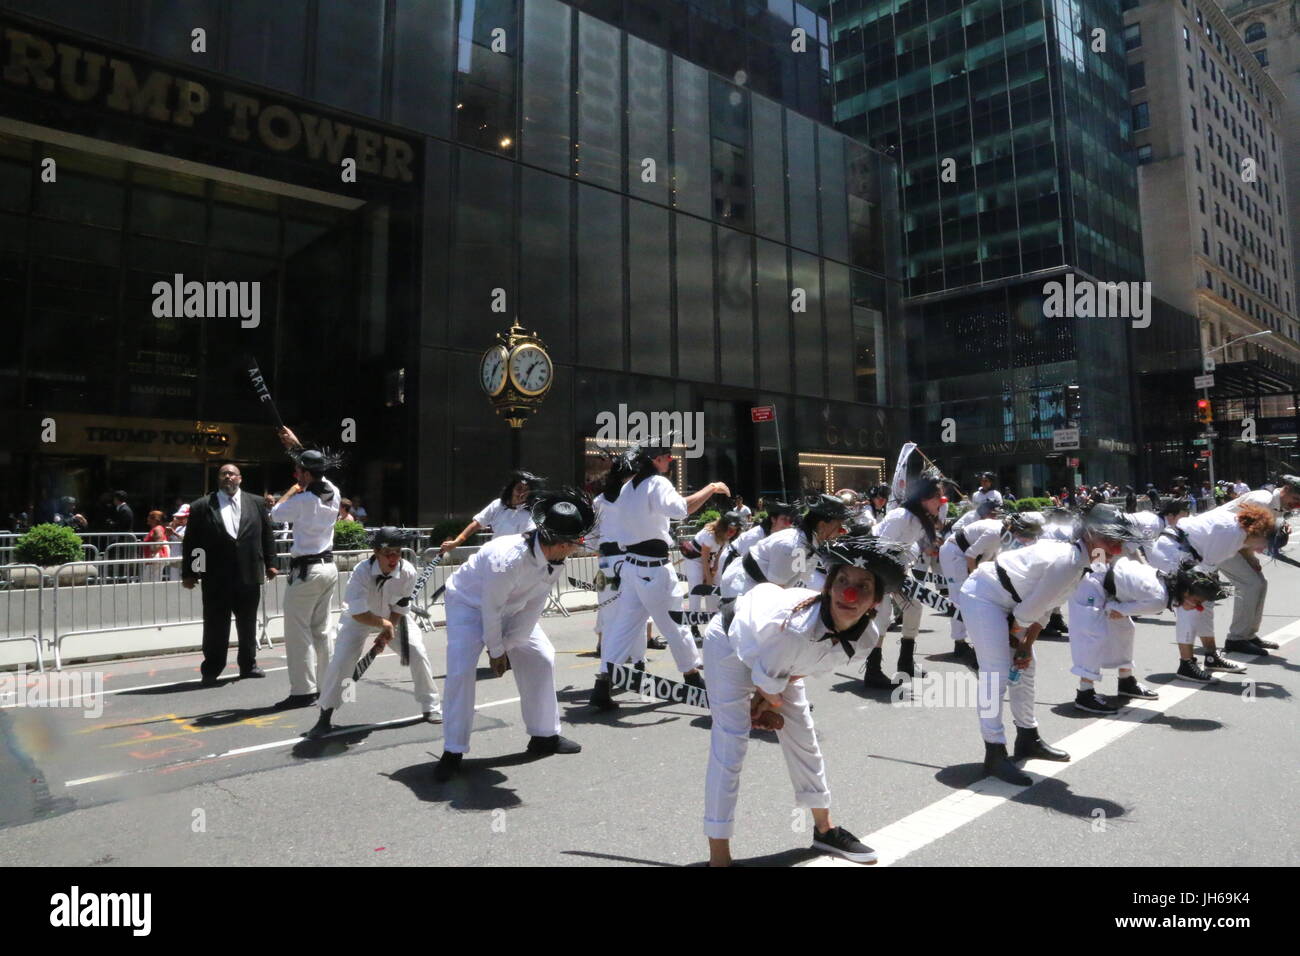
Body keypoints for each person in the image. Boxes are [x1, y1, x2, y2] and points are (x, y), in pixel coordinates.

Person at [703, 535, 911, 866]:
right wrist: (766, 706)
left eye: (862, 586)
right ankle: (719, 858)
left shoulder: (865, 640)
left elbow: (804, 666)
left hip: (777, 655)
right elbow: (776, 673)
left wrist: (768, 701)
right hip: (730, 641)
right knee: (730, 744)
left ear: (875, 601)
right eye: (842, 580)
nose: (849, 593)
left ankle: (825, 830)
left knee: (804, 739)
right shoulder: (795, 629)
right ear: (828, 587)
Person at [956, 503, 1141, 785]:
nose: (1115, 549)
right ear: (1090, 534)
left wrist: (1026, 646)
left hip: (1016, 604)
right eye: (1110, 541)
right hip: (984, 596)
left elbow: (1046, 608)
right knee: (997, 673)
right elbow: (1028, 612)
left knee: (1026, 668)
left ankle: (1028, 737)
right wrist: (1017, 637)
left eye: (1119, 543)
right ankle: (994, 752)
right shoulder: (1068, 561)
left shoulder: (1081, 564)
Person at [433, 489, 596, 781]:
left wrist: (507, 646)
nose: (578, 547)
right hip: (468, 604)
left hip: (513, 606)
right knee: (460, 671)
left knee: (541, 656)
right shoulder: (506, 559)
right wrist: (496, 652)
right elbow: (490, 610)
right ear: (560, 543)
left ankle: (544, 735)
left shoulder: (555, 560)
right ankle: (453, 750)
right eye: (575, 542)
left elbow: (533, 608)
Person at [589, 436, 730, 710]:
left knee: (621, 629)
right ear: (655, 459)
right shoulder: (656, 483)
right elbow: (682, 510)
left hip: (631, 567)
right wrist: (711, 488)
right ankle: (692, 678)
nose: (671, 459)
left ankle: (602, 685)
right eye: (666, 455)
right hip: (652, 570)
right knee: (675, 625)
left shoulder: (628, 488)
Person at [305, 527, 441, 739]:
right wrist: (384, 624)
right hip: (358, 619)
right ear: (376, 552)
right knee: (341, 662)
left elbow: (400, 607)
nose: (394, 557)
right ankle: (325, 716)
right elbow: (358, 613)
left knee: (416, 651)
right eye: (388, 553)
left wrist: (387, 631)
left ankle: (430, 705)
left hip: (392, 617)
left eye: (398, 551)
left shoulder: (408, 572)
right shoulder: (361, 572)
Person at [1069, 562, 1227, 714]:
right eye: (1197, 601)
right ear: (1185, 592)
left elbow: (1119, 608)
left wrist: (1119, 610)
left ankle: (1126, 681)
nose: (1198, 607)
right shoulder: (1159, 600)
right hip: (1092, 587)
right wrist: (1116, 610)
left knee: (1126, 629)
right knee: (1094, 636)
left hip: (1108, 586)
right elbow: (1112, 609)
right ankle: (1085, 694)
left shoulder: (1165, 580)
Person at [1142, 501, 1275, 682]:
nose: (1262, 550)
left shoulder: (1239, 531)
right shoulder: (1231, 534)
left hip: (1186, 552)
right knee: (1189, 606)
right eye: (1264, 544)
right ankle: (1186, 664)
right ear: (1258, 533)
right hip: (1172, 553)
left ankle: (1211, 657)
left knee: (1206, 605)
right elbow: (1208, 567)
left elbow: (1209, 565)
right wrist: (1203, 589)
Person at [182, 463, 278, 686]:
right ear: (218, 479)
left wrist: (272, 563)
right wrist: (190, 572)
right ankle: (212, 668)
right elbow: (192, 542)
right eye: (223, 474)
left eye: (232, 474)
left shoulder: (256, 503)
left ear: (240, 478)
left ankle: (248, 665)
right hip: (216, 577)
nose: (228, 477)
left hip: (249, 574)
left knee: (247, 623)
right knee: (215, 625)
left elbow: (267, 534)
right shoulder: (202, 506)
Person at [271, 430, 344, 708]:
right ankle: (327, 684)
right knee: (322, 630)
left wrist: (289, 492)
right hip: (328, 568)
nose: (295, 475)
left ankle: (303, 690)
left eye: (298, 472)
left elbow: (274, 514)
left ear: (304, 474)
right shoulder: (333, 492)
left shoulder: (302, 501)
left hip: (307, 572)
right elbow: (318, 474)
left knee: (297, 630)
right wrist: (297, 446)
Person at [863, 473, 944, 687]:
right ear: (923, 498)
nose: (942, 501)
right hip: (876, 569)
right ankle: (872, 670)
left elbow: (907, 546)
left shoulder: (919, 520)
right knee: (883, 616)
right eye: (938, 496)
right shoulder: (901, 517)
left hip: (895, 570)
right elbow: (879, 549)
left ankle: (906, 662)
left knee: (914, 608)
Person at [939, 506, 1039, 667]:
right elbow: (970, 556)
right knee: (959, 597)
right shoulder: (995, 533)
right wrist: (975, 581)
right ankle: (959, 643)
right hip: (954, 552)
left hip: (972, 555)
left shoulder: (1007, 537)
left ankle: (977, 641)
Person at [1214, 475, 1300, 655]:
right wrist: (1252, 557)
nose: (1296, 505)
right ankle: (1236, 639)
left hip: (1235, 543)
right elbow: (1239, 532)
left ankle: (1248, 635)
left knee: (1260, 584)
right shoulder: (1262, 500)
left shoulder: (1278, 506)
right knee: (1250, 584)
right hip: (1218, 541)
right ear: (1286, 491)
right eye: (1296, 500)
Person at [719, 494, 850, 602]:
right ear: (822, 526)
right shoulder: (791, 545)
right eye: (840, 527)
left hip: (763, 587)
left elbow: (803, 579)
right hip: (743, 587)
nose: (841, 532)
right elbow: (775, 592)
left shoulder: (811, 543)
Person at [440, 470, 544, 554]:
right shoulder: (497, 505)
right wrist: (457, 542)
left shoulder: (530, 514)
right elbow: (476, 524)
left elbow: (533, 537)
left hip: (516, 560)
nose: (521, 493)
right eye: (519, 488)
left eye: (526, 490)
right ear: (512, 489)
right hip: (494, 555)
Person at [721, 500, 797, 573]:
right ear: (773, 519)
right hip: (731, 561)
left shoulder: (776, 535)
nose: (787, 524)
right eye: (783, 519)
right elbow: (745, 561)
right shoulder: (756, 536)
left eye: (789, 521)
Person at [141, 510, 171, 582]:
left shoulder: (158, 529)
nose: (147, 519)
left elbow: (160, 542)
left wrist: (153, 553)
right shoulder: (157, 528)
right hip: (153, 559)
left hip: (155, 559)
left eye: (149, 517)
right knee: (151, 580)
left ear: (155, 519)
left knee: (152, 580)